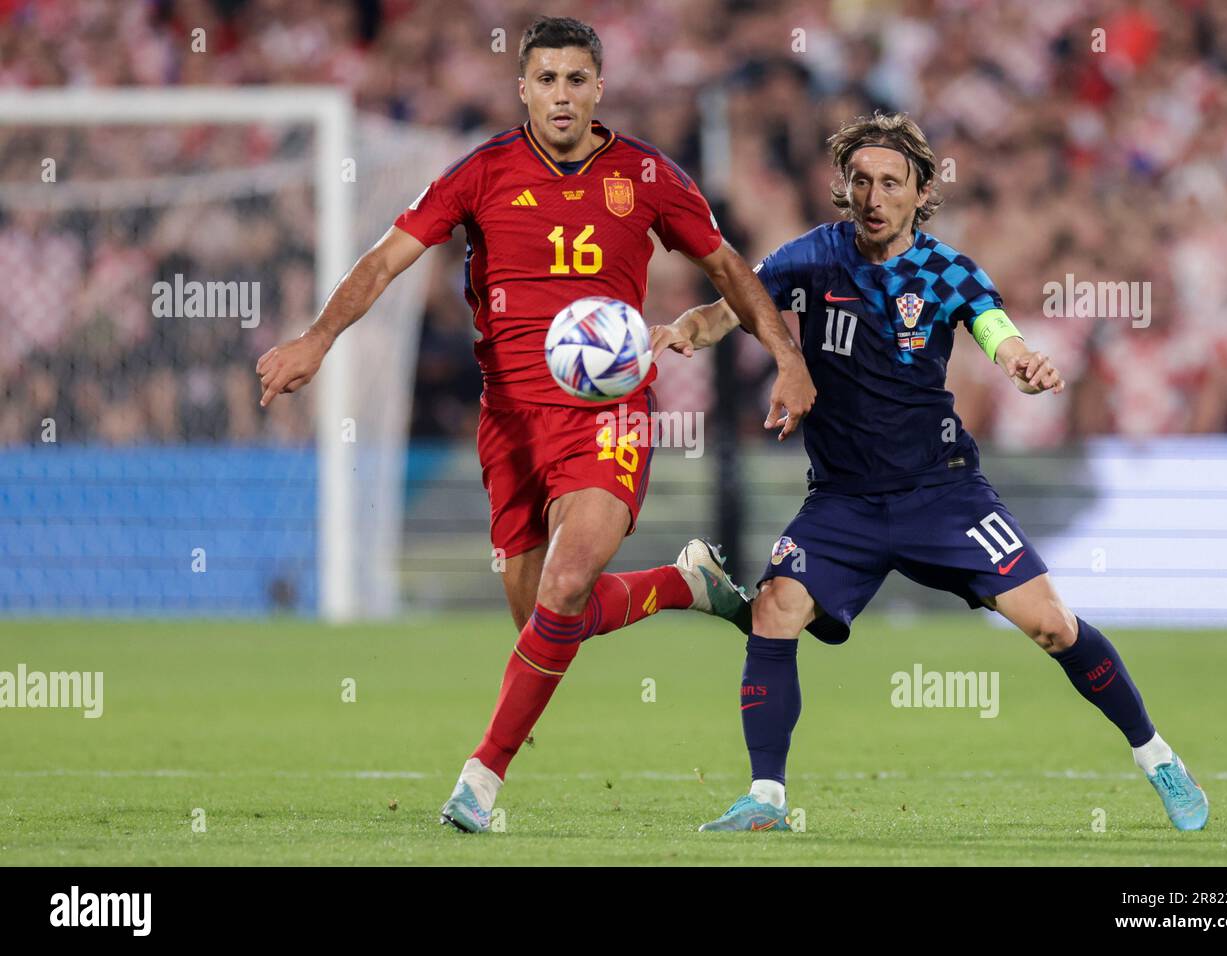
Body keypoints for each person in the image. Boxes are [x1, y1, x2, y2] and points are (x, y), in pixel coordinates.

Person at [254, 16, 816, 833]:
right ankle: (684, 583)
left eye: (576, 80)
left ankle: (480, 782)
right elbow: (383, 260)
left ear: (599, 89)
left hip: (610, 412)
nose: (561, 95)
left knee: (563, 587)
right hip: (510, 420)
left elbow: (728, 267)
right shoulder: (481, 173)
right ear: (523, 89)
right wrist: (317, 338)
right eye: (546, 80)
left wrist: (789, 357)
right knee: (550, 623)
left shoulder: (648, 176)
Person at [653, 111, 1209, 833]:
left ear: (921, 192)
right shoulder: (811, 257)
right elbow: (732, 307)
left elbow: (995, 333)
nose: (874, 195)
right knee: (776, 611)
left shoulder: (949, 271)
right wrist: (688, 331)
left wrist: (1023, 363)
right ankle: (766, 799)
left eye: (891, 182)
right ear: (845, 188)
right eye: (861, 181)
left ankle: (1156, 754)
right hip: (845, 501)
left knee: (1050, 626)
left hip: (942, 493)